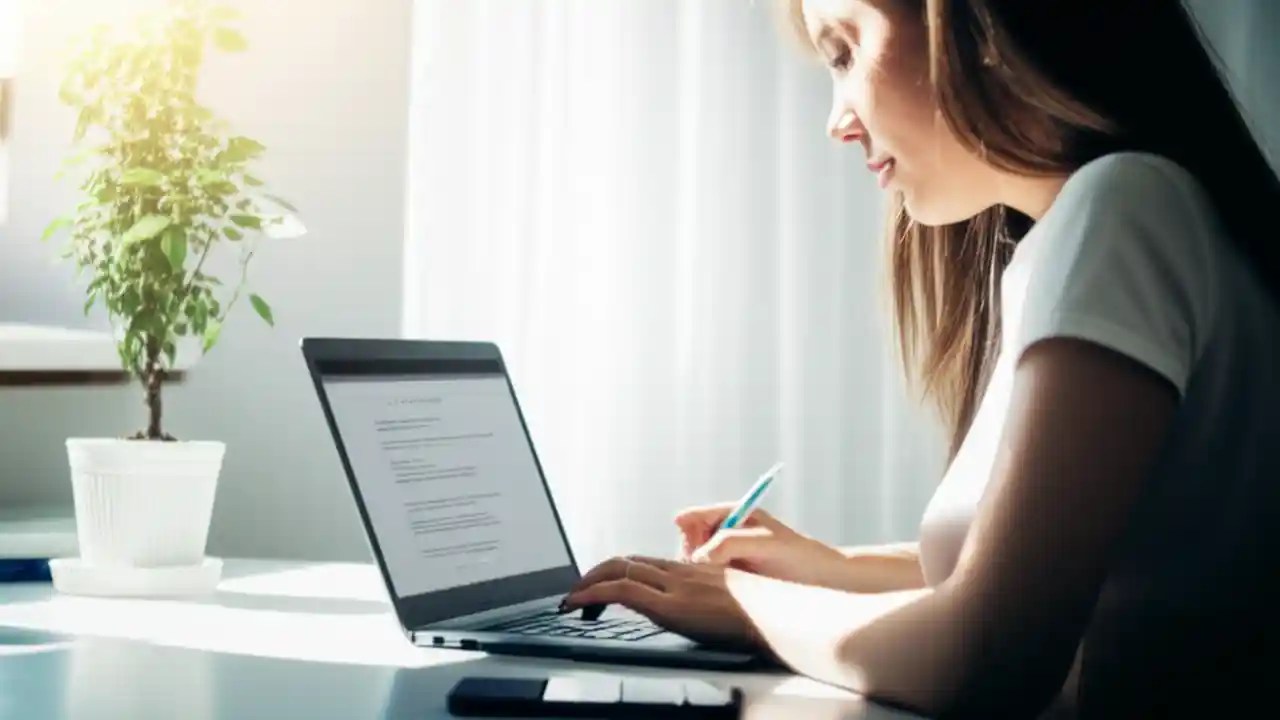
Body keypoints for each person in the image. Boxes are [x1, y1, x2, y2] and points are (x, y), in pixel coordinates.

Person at [559, 0, 1280, 717]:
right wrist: (833, 570)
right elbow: (1058, 564)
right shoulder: (1080, 234)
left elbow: (990, 650)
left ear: (978, 22)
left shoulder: (1125, 210)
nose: (837, 122)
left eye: (844, 53)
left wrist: (747, 604)